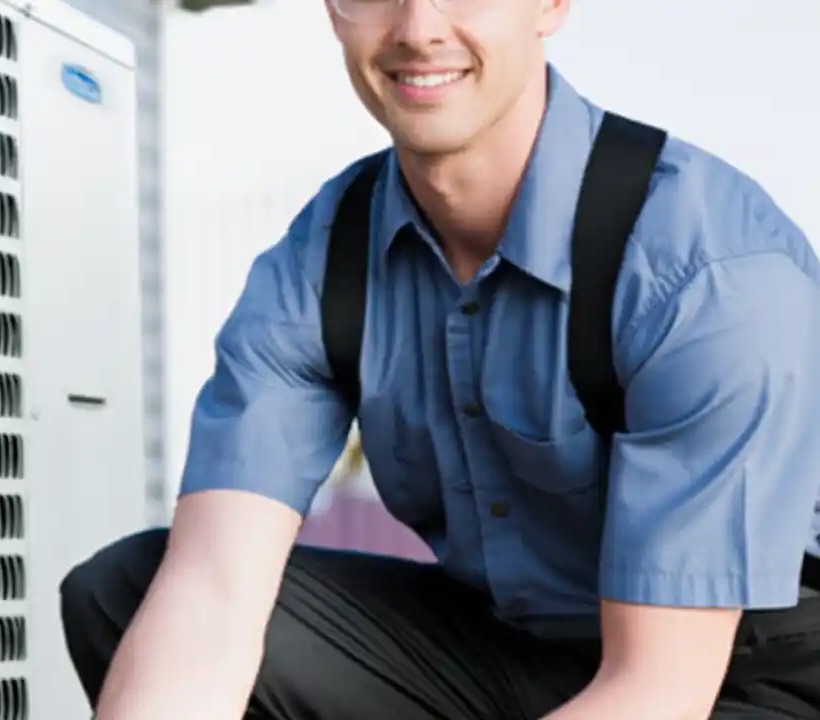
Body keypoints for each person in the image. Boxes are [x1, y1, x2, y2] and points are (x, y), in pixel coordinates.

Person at [60, 0, 820, 717]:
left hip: (735, 677)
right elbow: (211, 601)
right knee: (133, 593)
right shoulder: (322, 262)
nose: (419, 28)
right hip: (509, 648)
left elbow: (658, 691)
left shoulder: (706, 273)